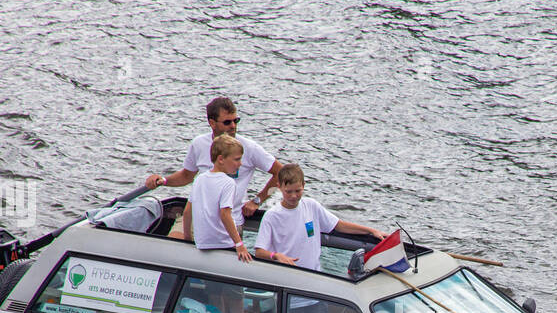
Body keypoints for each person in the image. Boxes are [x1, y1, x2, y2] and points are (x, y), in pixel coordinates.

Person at [145, 96, 282, 225]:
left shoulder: (250, 148)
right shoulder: (198, 143)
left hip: (229, 220)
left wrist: (257, 201)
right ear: (212, 123)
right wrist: (163, 181)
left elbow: (281, 173)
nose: (233, 126)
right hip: (198, 216)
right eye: (227, 122)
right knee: (174, 241)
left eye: (236, 120)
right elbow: (187, 176)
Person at [254, 163, 385, 269]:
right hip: (287, 284)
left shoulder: (312, 206)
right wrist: (276, 256)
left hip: (314, 280)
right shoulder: (271, 216)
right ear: (279, 187)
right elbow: (259, 252)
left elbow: (339, 225)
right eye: (288, 192)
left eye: (298, 191)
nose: (294, 196)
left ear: (303, 186)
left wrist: (371, 230)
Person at [189, 135, 252, 263]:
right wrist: (239, 245)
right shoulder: (228, 183)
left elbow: (187, 211)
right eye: (237, 159)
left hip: (202, 242)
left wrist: (187, 237)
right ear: (221, 159)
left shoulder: (199, 179)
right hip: (223, 243)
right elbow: (224, 214)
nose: (240, 164)